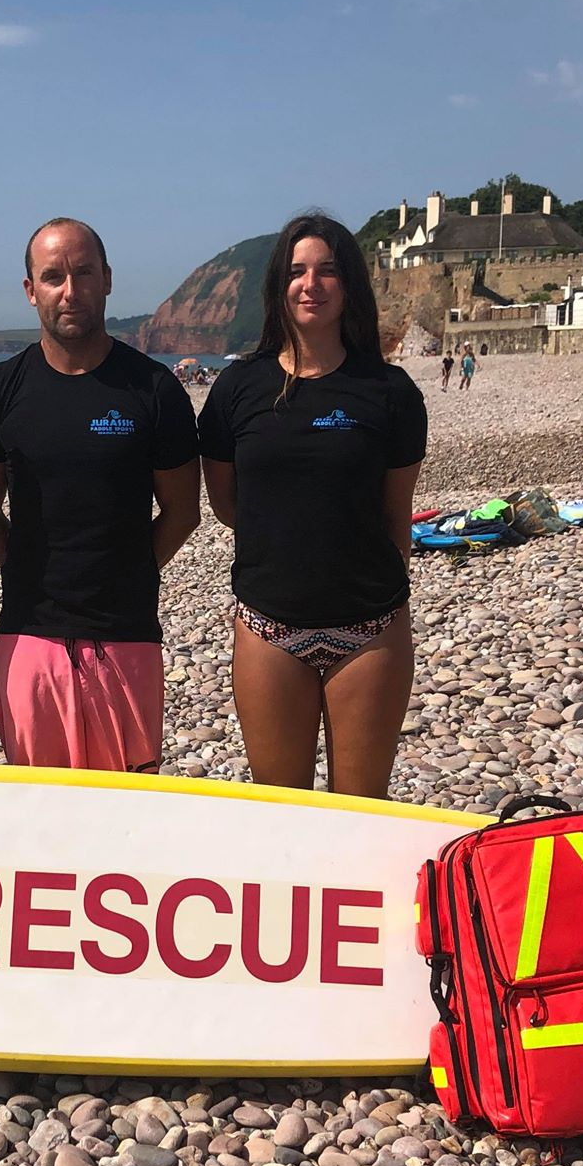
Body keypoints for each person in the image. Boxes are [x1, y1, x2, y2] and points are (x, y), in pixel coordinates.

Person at [198, 213, 426, 798]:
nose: (312, 284)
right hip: (268, 627)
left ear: (348, 284)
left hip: (370, 628)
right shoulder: (236, 390)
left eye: (328, 271)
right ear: (279, 286)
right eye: (297, 271)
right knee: (283, 813)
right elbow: (227, 504)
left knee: (362, 813)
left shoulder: (390, 393)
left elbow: (394, 514)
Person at [0, 218, 201, 772]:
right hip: (28, 636)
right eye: (52, 277)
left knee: (128, 812)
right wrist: (30, 570)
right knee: (40, 813)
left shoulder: (154, 389)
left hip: (127, 636)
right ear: (30, 291)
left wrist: (126, 570)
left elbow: (183, 511)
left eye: (83, 273)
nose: (70, 291)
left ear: (107, 280)